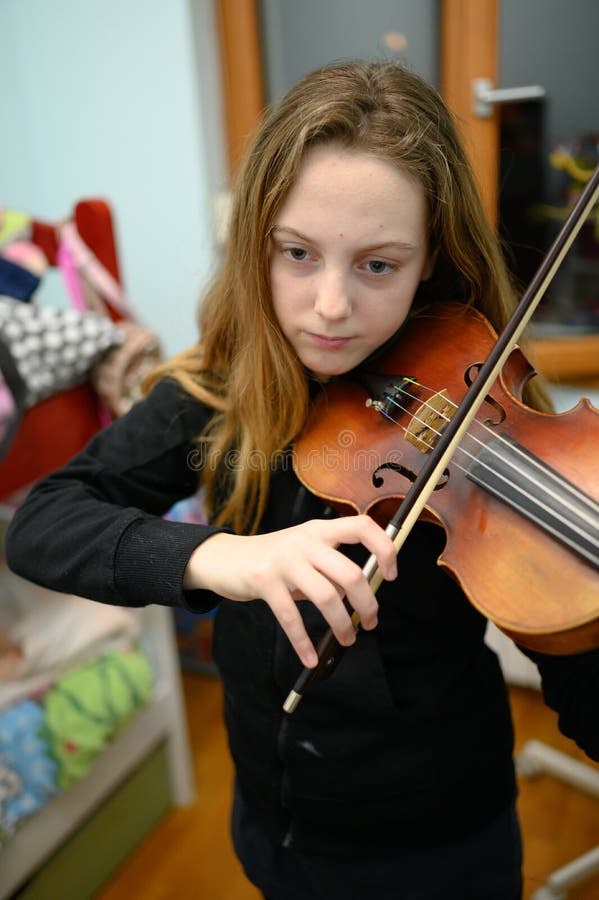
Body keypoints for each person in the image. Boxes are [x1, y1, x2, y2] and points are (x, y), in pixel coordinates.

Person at [5, 61, 599, 900]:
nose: (327, 307)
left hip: (438, 845)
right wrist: (221, 559)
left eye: (377, 266)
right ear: (257, 243)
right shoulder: (211, 400)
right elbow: (42, 525)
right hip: (270, 820)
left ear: (433, 257)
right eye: (297, 253)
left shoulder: (489, 415)